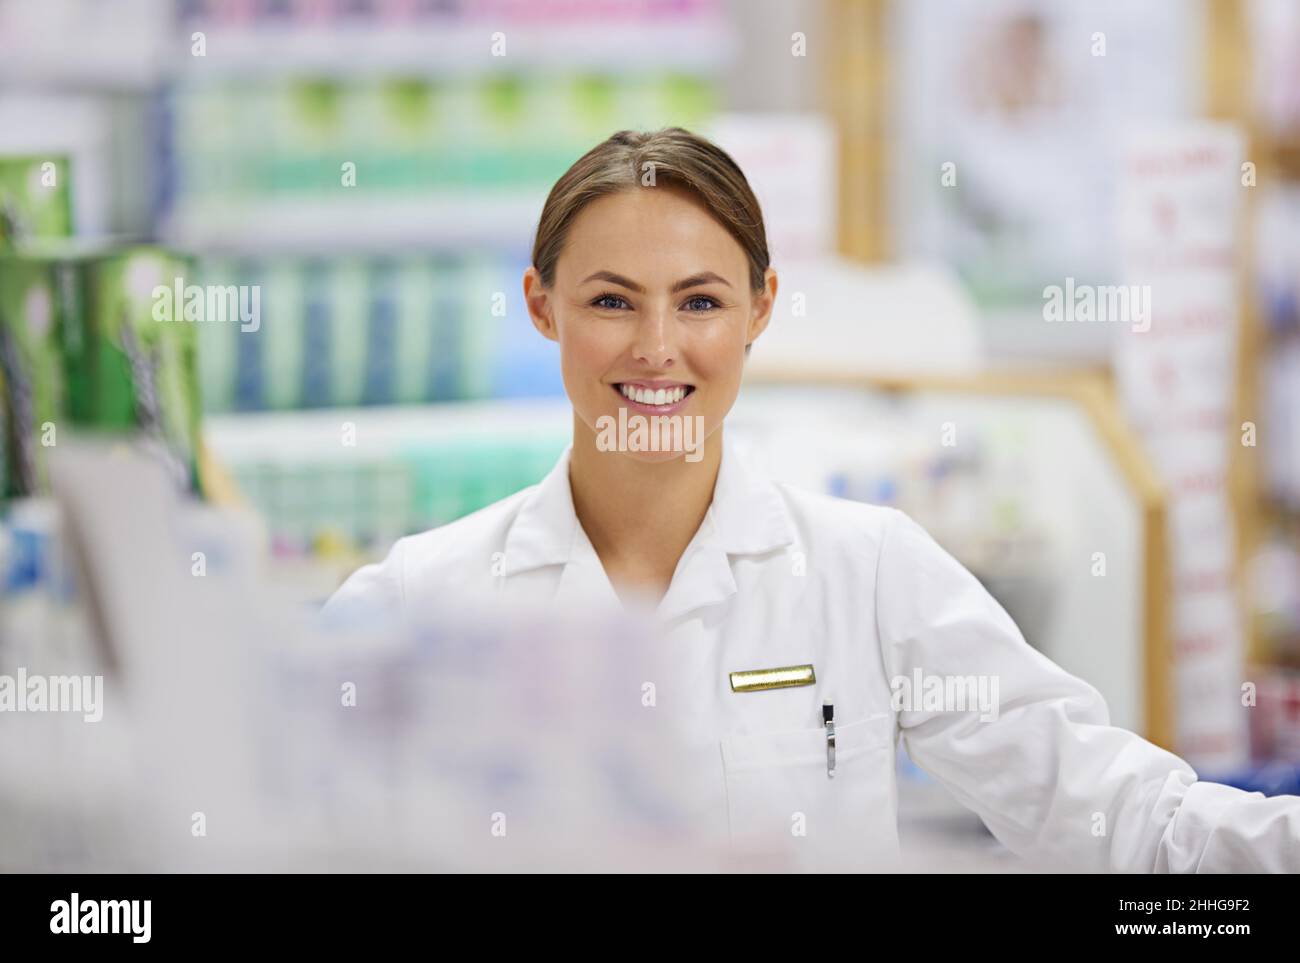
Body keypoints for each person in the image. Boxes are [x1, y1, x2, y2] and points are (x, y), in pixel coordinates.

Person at [325, 127, 1300, 872]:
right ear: (542, 306)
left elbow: (1111, 810)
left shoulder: (865, 569)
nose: (657, 346)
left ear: (760, 307)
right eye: (611, 300)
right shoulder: (424, 596)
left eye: (700, 300)